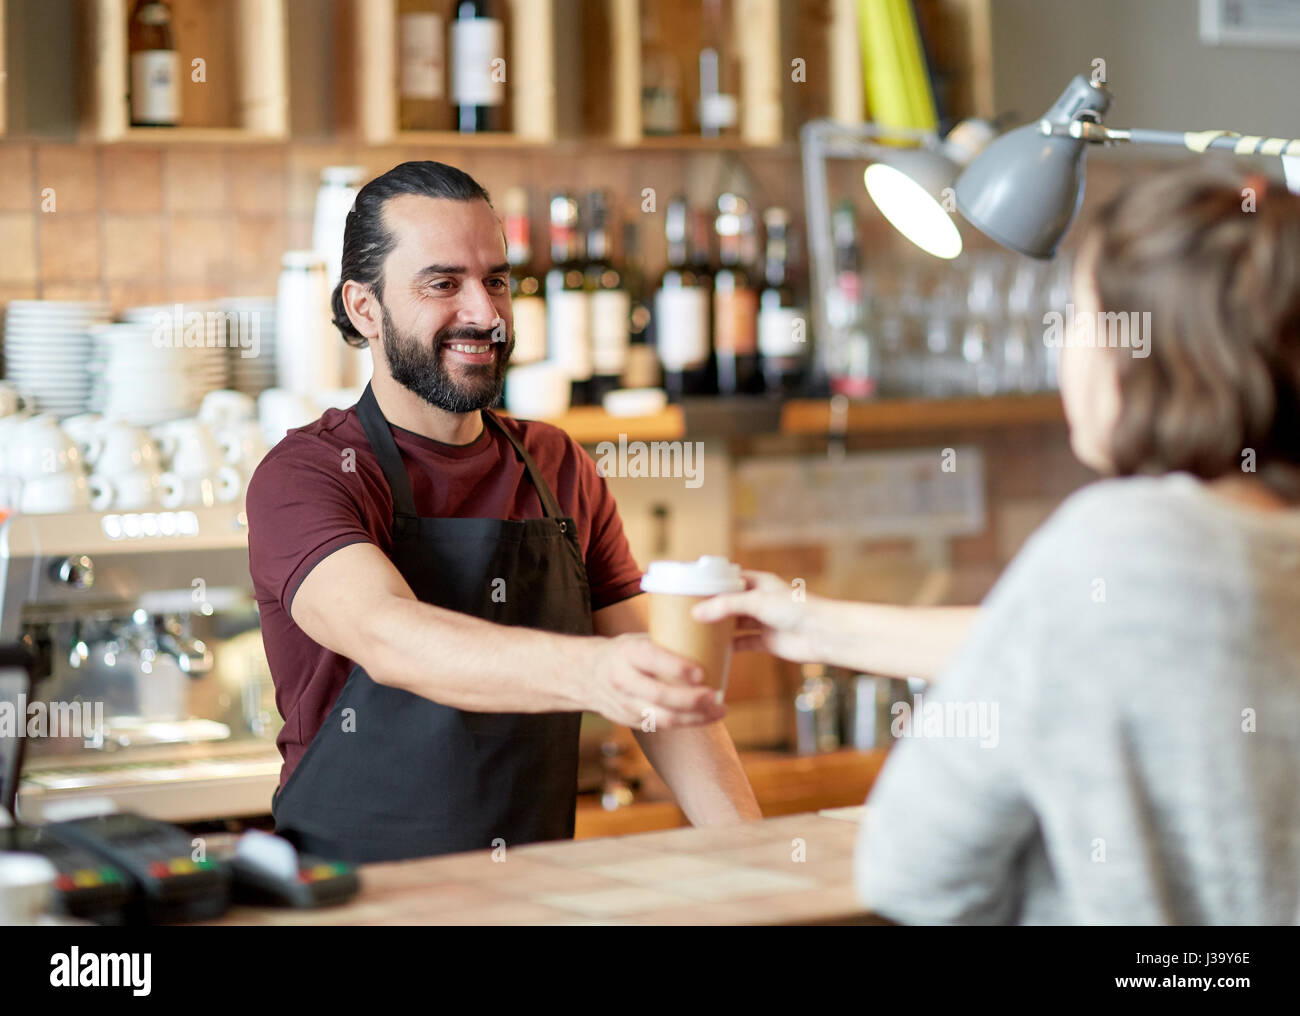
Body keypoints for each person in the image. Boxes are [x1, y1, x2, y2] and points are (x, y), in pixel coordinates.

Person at [695, 165, 1300, 923]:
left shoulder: (1111, 544)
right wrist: (811, 621)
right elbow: (1076, 642)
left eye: (1078, 316)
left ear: (1141, 353)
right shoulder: (1212, 555)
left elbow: (912, 868)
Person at [246, 161, 759, 864]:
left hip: (525, 897)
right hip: (355, 906)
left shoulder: (556, 466)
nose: (485, 314)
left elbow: (660, 697)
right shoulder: (306, 475)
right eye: (443, 284)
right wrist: (595, 672)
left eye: (496, 281)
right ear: (364, 307)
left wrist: (755, 852)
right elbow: (389, 636)